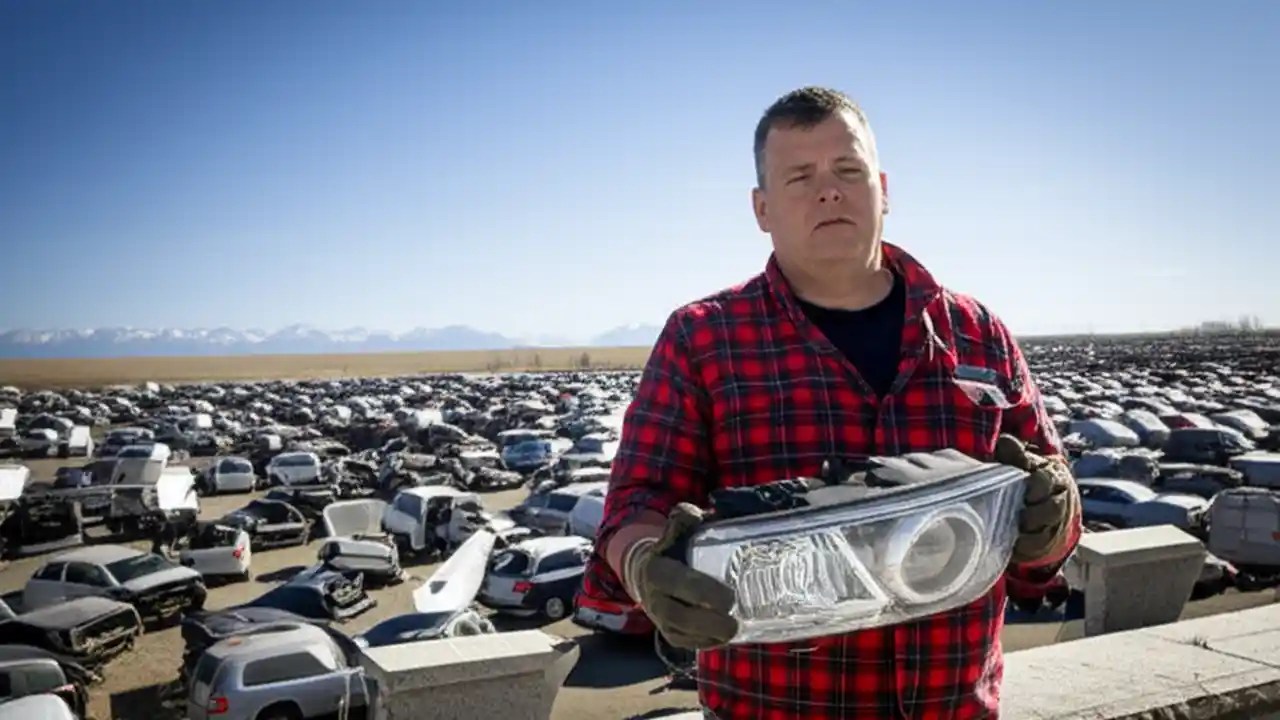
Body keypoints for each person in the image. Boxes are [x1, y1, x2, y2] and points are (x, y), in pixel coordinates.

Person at [580, 86, 1083, 719]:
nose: (829, 190)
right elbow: (636, 502)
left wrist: (1051, 518)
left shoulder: (978, 333)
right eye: (800, 177)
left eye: (848, 170)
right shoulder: (703, 339)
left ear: (884, 188)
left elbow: (1052, 503)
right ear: (761, 208)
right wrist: (649, 567)